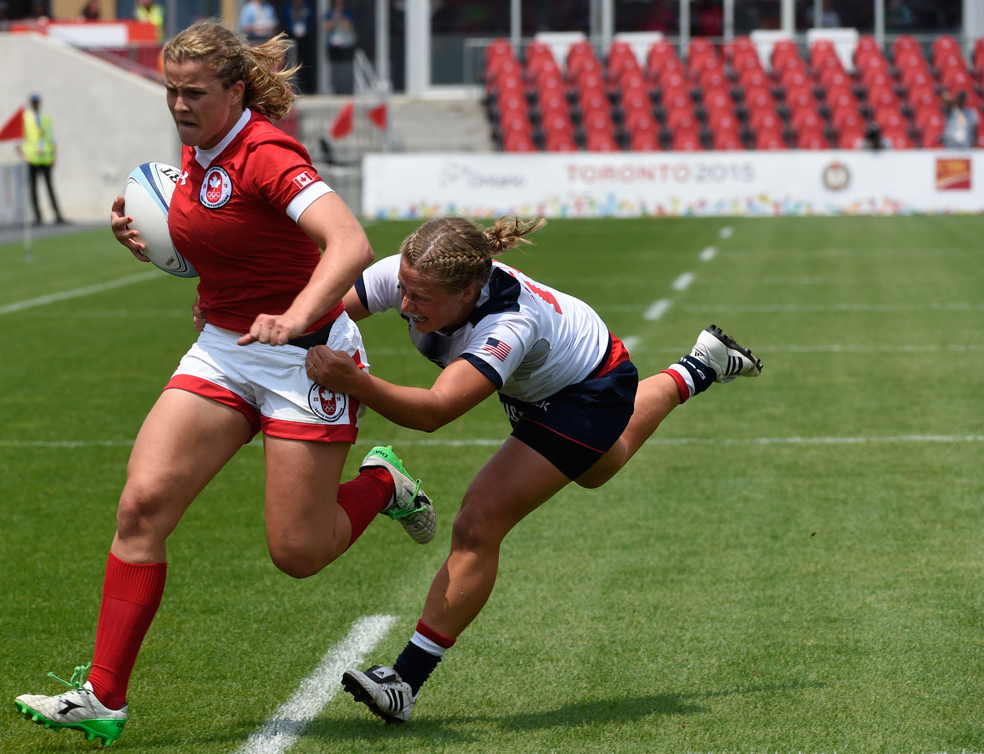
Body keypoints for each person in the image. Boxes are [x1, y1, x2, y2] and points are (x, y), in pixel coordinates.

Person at [11, 20, 436, 747]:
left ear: (235, 91)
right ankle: (103, 696)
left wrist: (298, 314)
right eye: (171, 91)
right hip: (224, 348)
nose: (179, 104)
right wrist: (150, 244)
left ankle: (382, 486)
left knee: (297, 553)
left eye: (194, 92)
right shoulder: (199, 146)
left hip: (306, 357)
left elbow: (351, 243)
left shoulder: (265, 151)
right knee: (141, 505)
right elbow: (222, 241)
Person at [296, 216, 762, 724]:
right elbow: (315, 316)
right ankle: (698, 367)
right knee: (599, 466)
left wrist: (356, 381)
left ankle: (406, 681)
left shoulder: (509, 325)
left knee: (479, 521)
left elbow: (434, 412)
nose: (405, 305)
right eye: (403, 290)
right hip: (548, 377)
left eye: (421, 298)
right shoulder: (412, 275)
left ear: (470, 291)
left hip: (587, 390)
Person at [18, 93, 65, 224]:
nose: (35, 104)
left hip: (45, 158)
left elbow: (52, 138)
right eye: (33, 102)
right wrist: (23, 154)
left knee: (50, 188)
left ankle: (58, 215)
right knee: (33, 189)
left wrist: (54, 156)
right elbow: (19, 138)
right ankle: (38, 217)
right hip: (32, 159)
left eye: (37, 101)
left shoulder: (45, 118)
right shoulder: (25, 118)